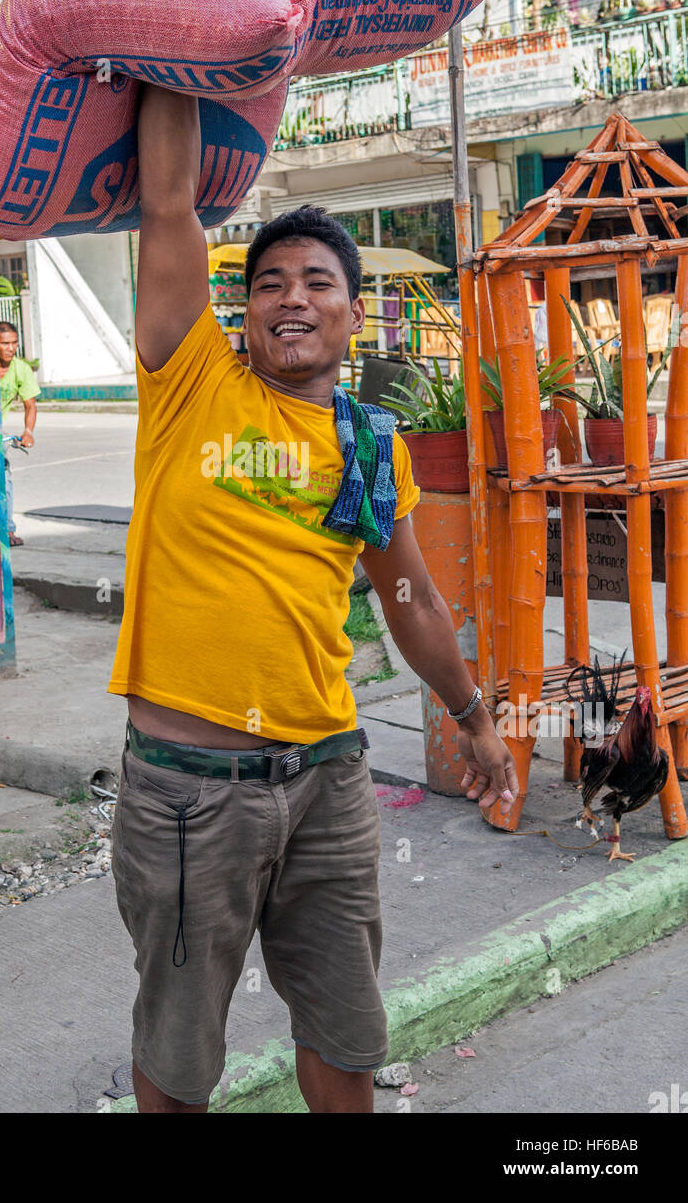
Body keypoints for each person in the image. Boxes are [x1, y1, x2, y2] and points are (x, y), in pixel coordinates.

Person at [108, 84, 519, 1115]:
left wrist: (474, 717)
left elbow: (413, 596)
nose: (292, 297)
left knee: (344, 1032)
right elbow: (167, 204)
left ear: (350, 310)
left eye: (317, 281)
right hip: (187, 791)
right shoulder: (188, 379)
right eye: (270, 284)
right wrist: (177, 54)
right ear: (241, 313)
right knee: (178, 1052)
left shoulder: (368, 443)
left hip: (327, 781)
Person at [0, 321, 39, 547]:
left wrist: (28, 432)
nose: (10, 348)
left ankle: (8, 530)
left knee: (4, 478)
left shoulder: (20, 368)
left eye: (14, 343)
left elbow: (30, 405)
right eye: (4, 343)